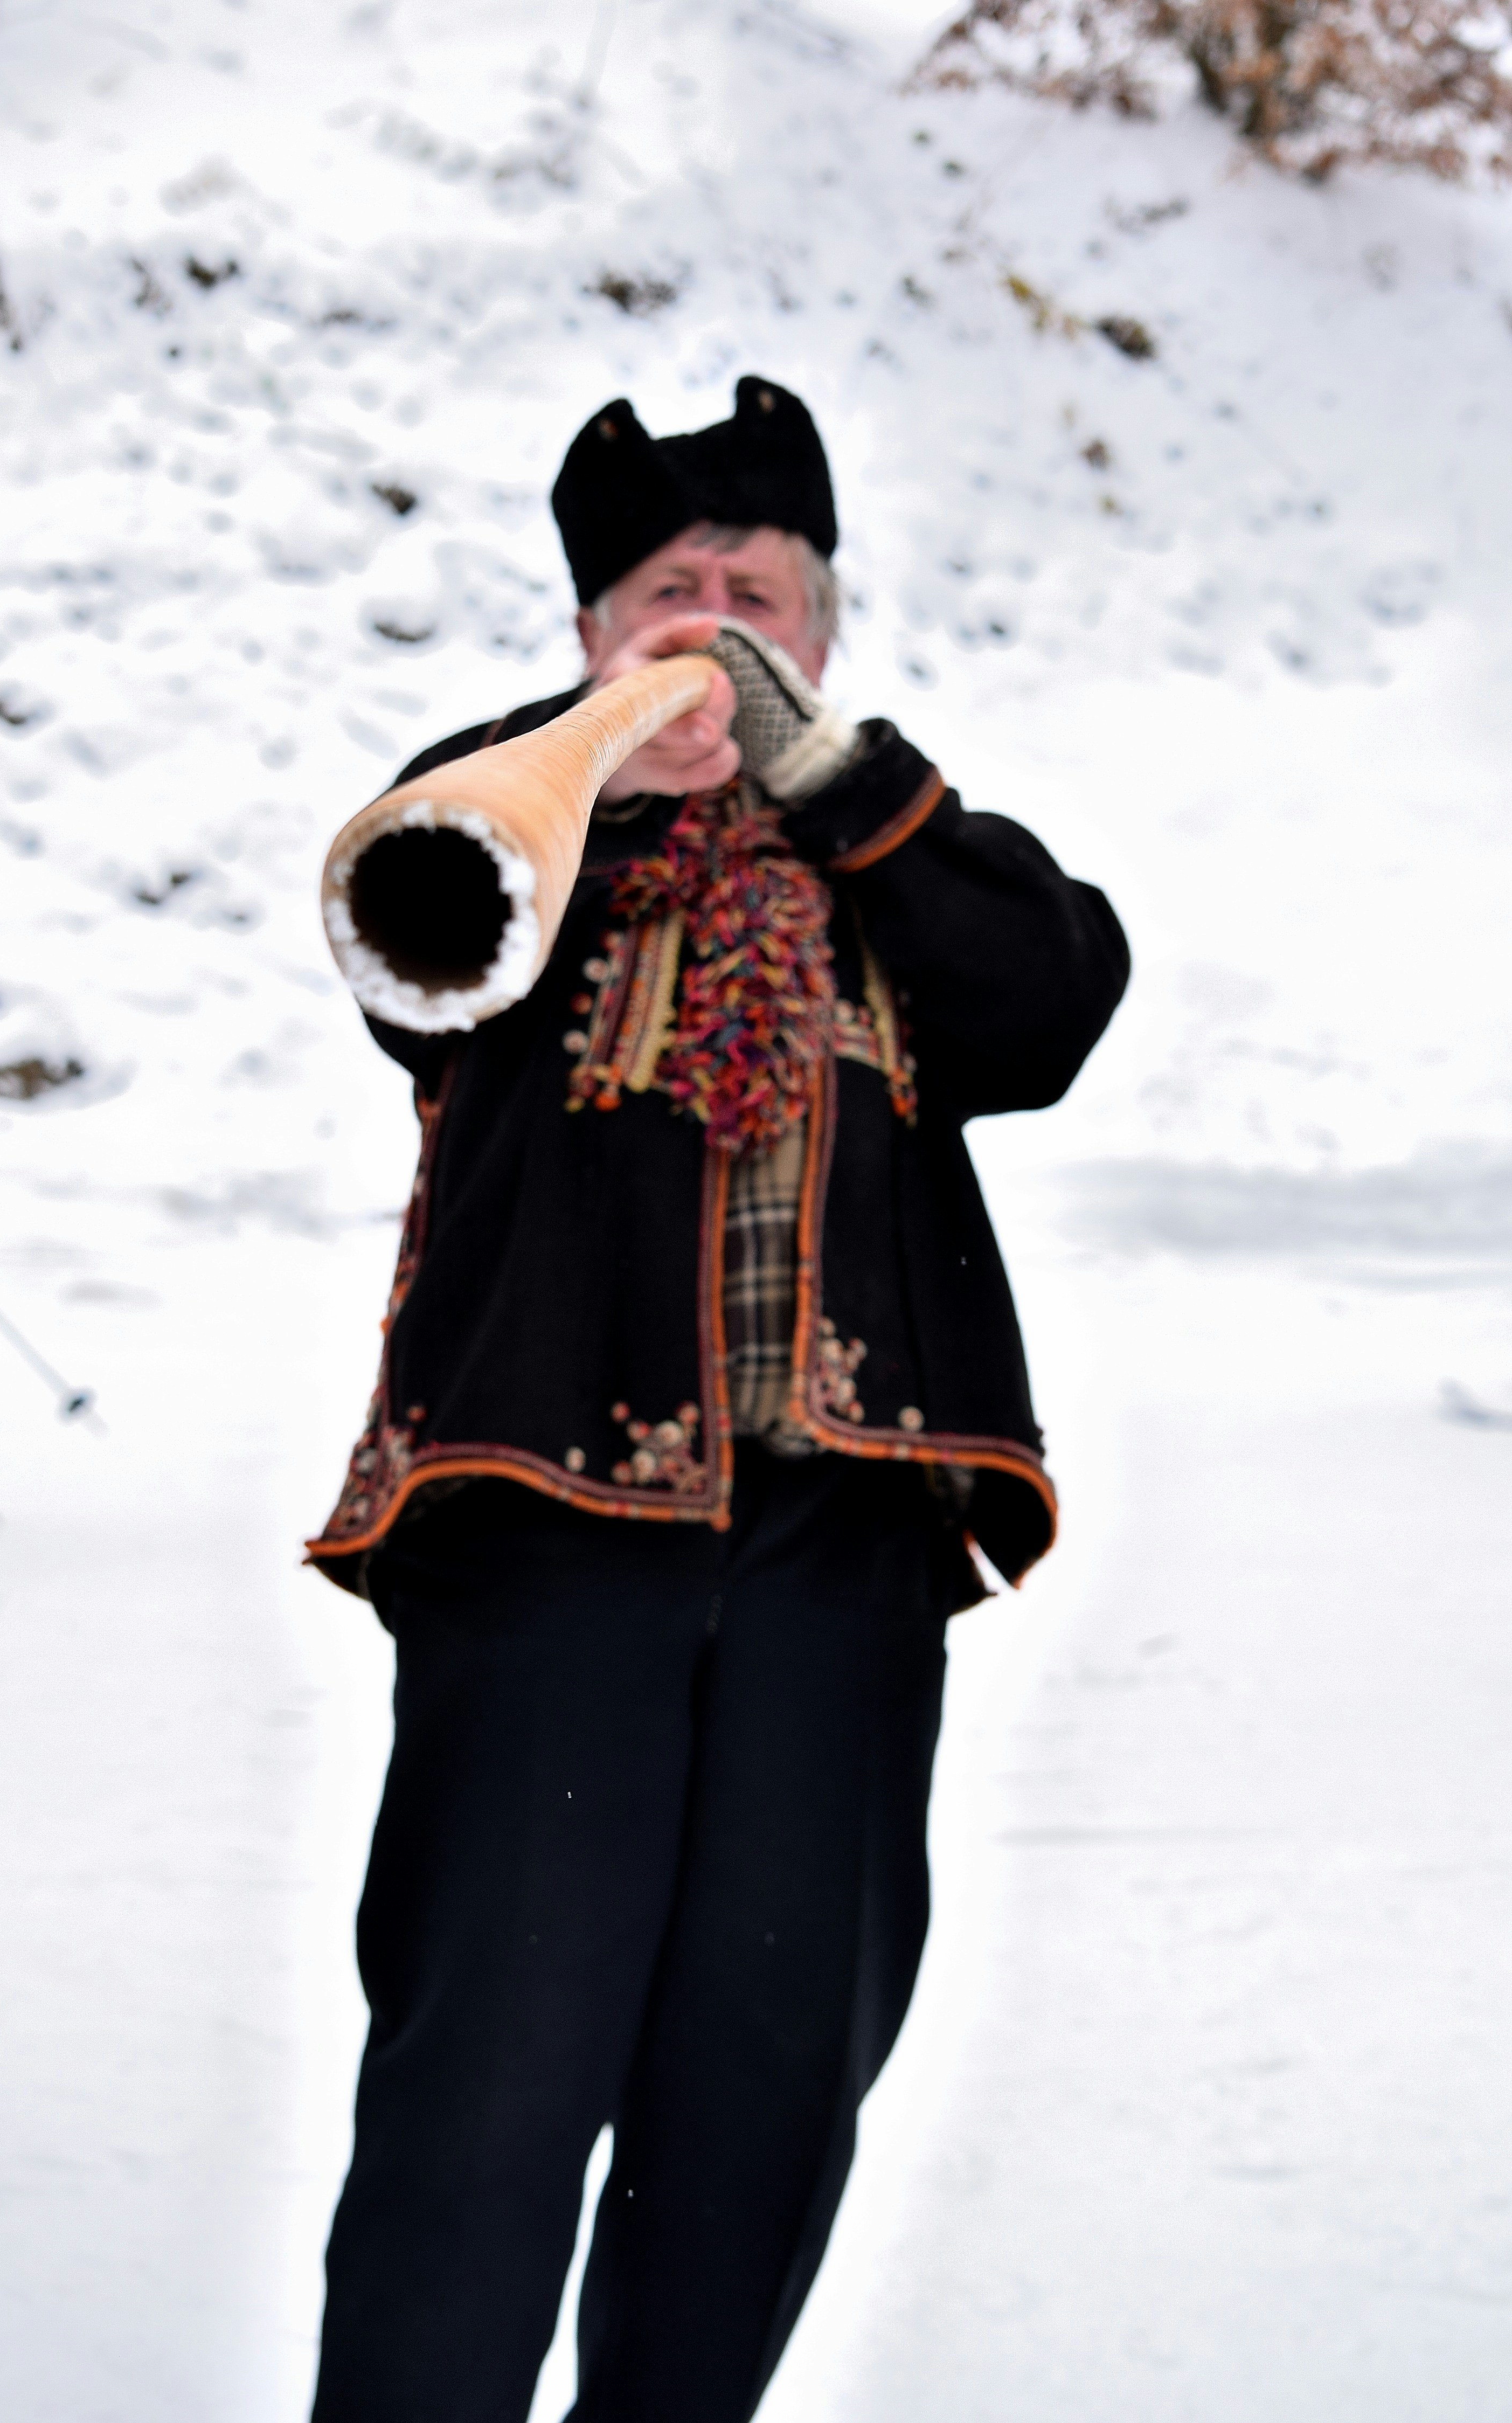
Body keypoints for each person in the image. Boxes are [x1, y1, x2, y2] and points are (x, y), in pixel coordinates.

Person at [306, 376, 1130, 2423]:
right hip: (543, 1530)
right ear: (590, 632)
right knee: (486, 2089)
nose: (717, 616)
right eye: (670, 588)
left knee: (765, 2098)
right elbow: (413, 945)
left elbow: (1052, 1004)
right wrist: (603, 758)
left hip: (840, 1551)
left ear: (825, 641)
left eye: (762, 590)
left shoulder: (908, 848)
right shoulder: (493, 812)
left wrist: (827, 775)